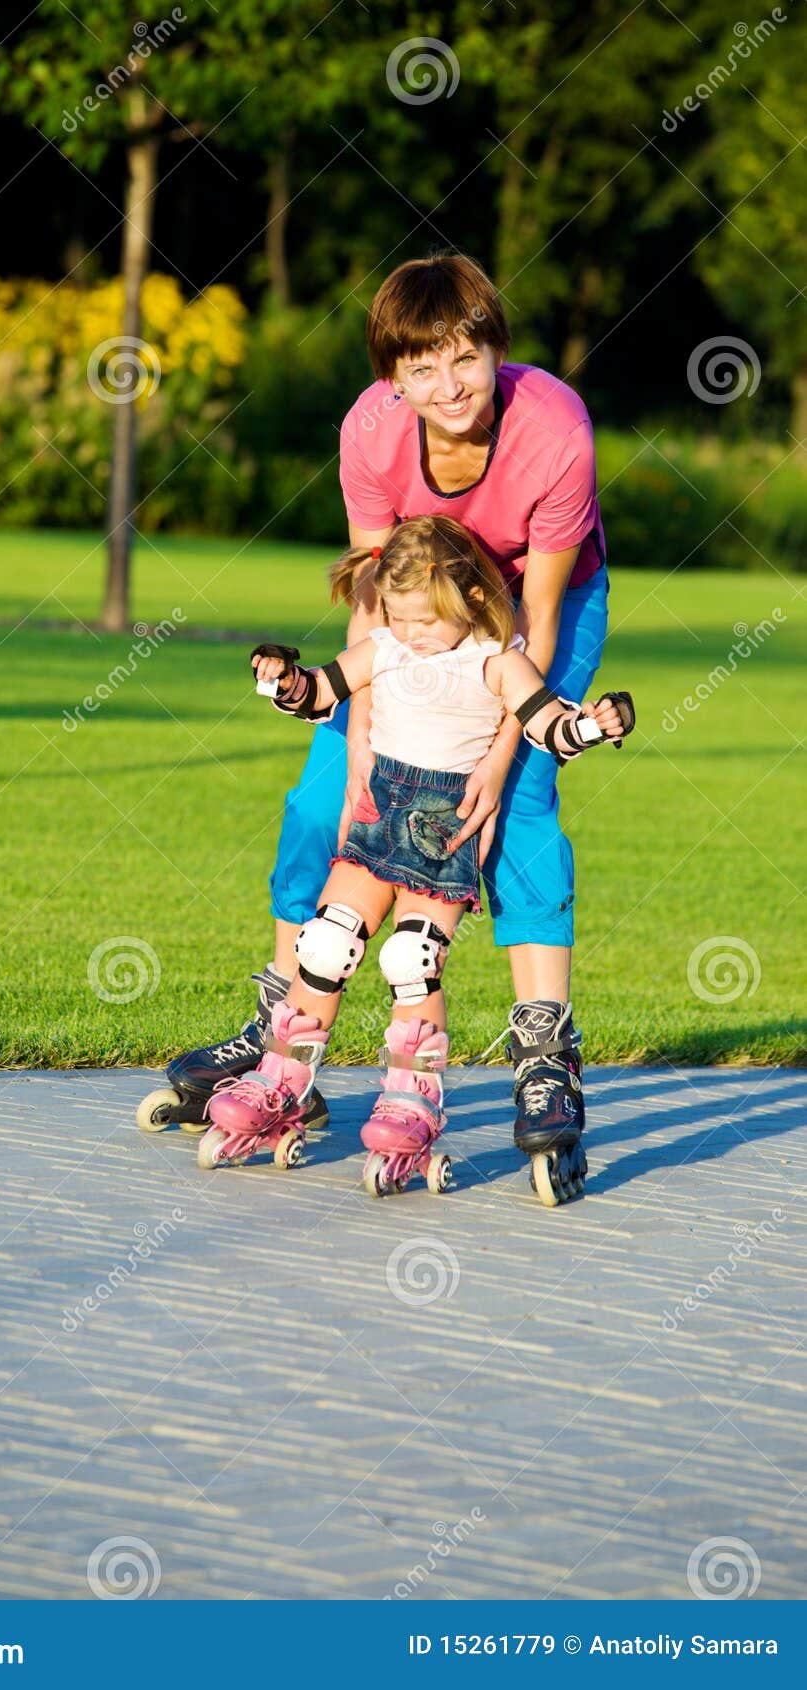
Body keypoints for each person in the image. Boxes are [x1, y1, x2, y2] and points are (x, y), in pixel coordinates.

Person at [179, 252, 612, 1158]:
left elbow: (529, 626)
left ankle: (544, 1050)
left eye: (465, 358)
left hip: (537, 606)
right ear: (392, 376)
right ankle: (283, 1024)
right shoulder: (371, 433)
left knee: (523, 803)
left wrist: (495, 761)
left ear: (496, 346)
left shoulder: (555, 431)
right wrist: (360, 732)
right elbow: (374, 600)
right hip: (409, 617)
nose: (448, 386)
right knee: (322, 797)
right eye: (422, 368)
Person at [196, 517, 633, 1204]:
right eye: (398, 619)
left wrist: (591, 725)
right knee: (325, 942)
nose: (412, 635)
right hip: (375, 820)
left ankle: (410, 1102)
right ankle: (280, 1081)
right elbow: (320, 690)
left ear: (468, 595)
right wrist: (281, 680)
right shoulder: (383, 649)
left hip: (442, 832)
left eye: (425, 620)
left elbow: (547, 721)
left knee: (410, 959)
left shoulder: (496, 658)